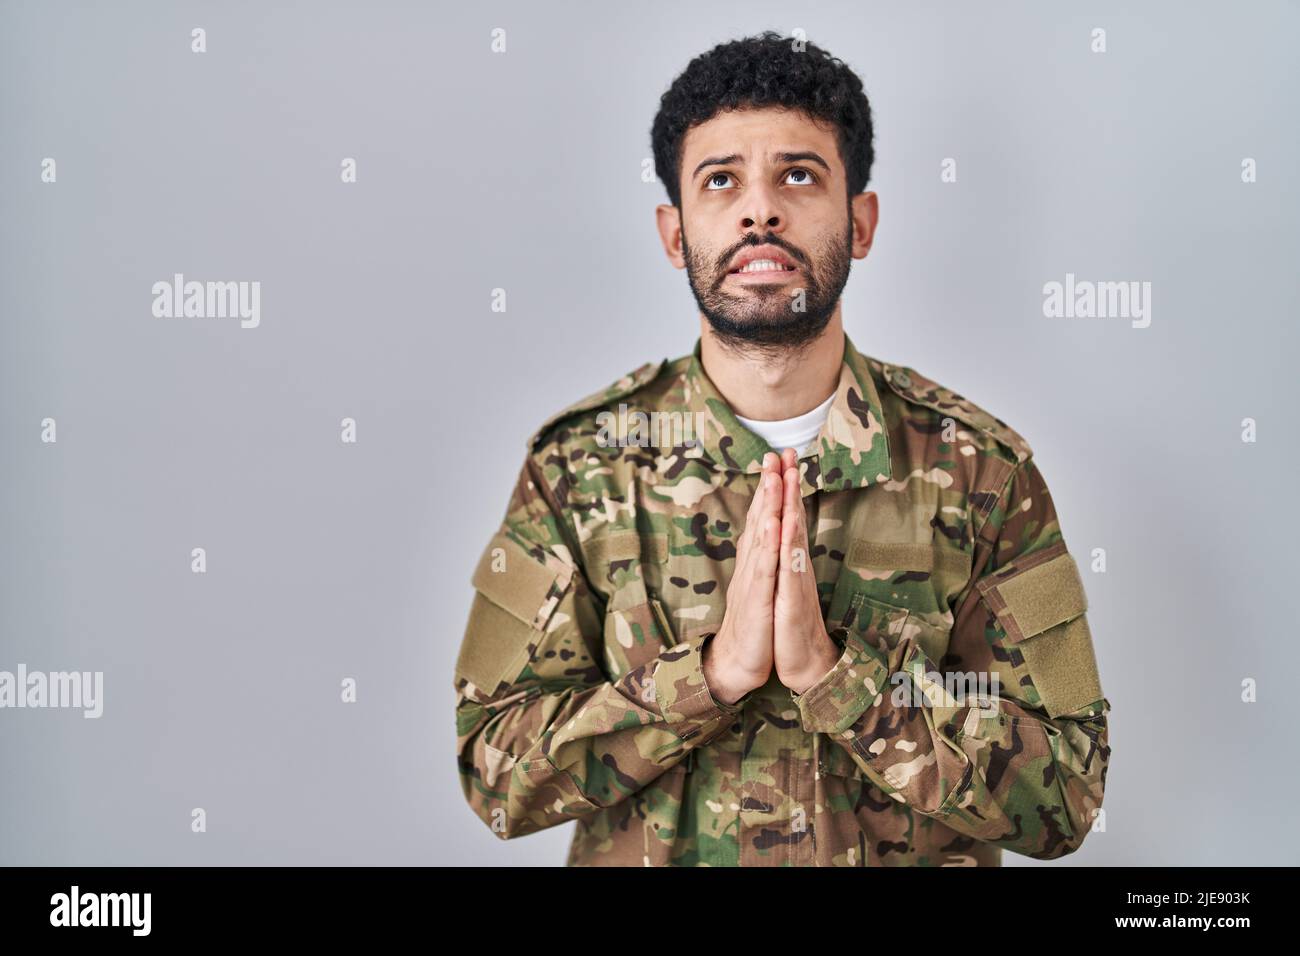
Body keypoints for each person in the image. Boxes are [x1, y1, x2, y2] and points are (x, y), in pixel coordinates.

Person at [452, 31, 1110, 866]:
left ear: (860, 222)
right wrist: (709, 679)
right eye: (720, 180)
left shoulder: (983, 473)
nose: (759, 209)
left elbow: (1069, 797)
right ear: (673, 232)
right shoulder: (581, 469)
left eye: (798, 175)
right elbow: (492, 772)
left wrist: (844, 685)